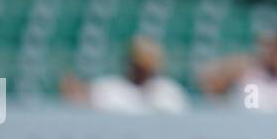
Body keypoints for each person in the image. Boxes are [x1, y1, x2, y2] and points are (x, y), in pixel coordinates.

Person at [61, 36, 190, 113]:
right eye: (137, 65)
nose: (141, 70)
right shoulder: (110, 88)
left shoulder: (168, 91)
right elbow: (79, 98)